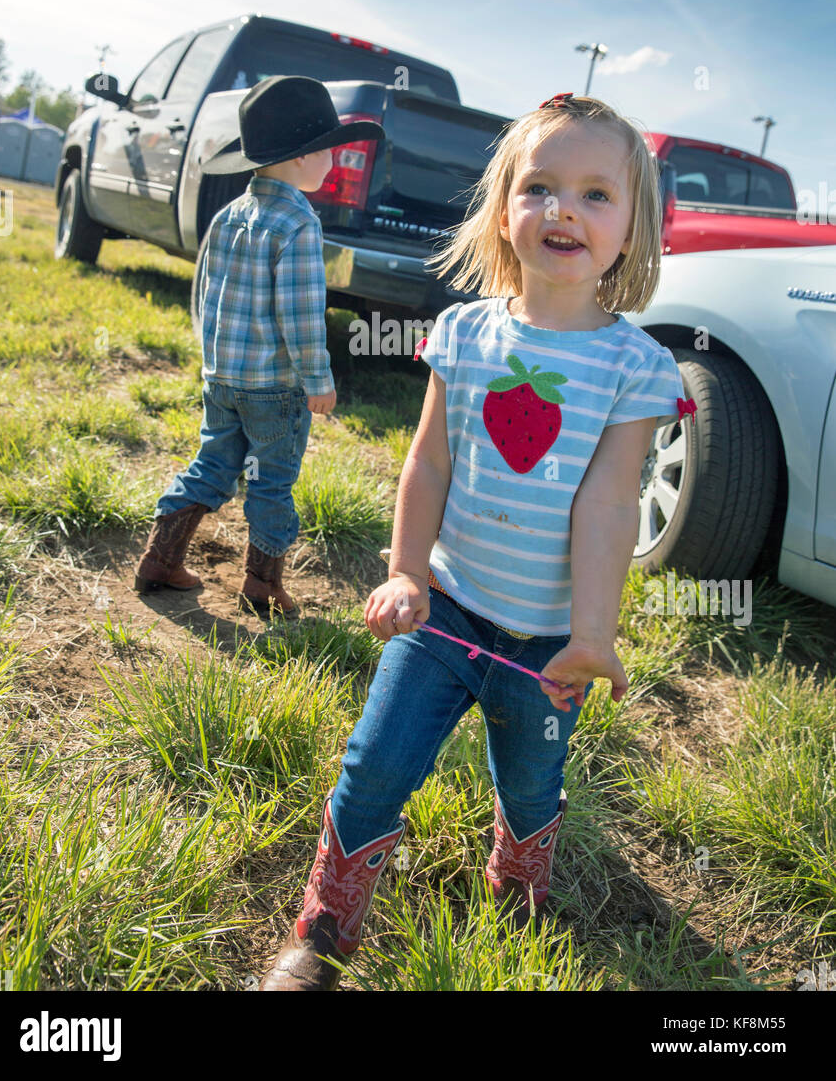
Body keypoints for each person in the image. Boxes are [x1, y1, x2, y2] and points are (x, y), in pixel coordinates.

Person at [259, 92, 691, 990]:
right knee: (375, 763)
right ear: (505, 210)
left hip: (546, 648)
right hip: (444, 613)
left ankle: (517, 884)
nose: (562, 210)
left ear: (633, 228)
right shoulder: (462, 332)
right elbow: (427, 463)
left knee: (531, 785)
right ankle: (325, 930)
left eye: (595, 195)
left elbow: (611, 507)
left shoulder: (636, 367)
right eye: (539, 187)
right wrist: (407, 573)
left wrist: (592, 637)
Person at [133, 76, 384, 620]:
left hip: (222, 378)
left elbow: (205, 294)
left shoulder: (228, 217)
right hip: (275, 388)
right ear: (300, 159)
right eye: (329, 151)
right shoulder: (298, 223)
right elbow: (300, 315)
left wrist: (211, 359)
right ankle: (262, 584)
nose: (335, 162)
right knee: (273, 480)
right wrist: (318, 380)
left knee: (212, 464)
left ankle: (160, 557)